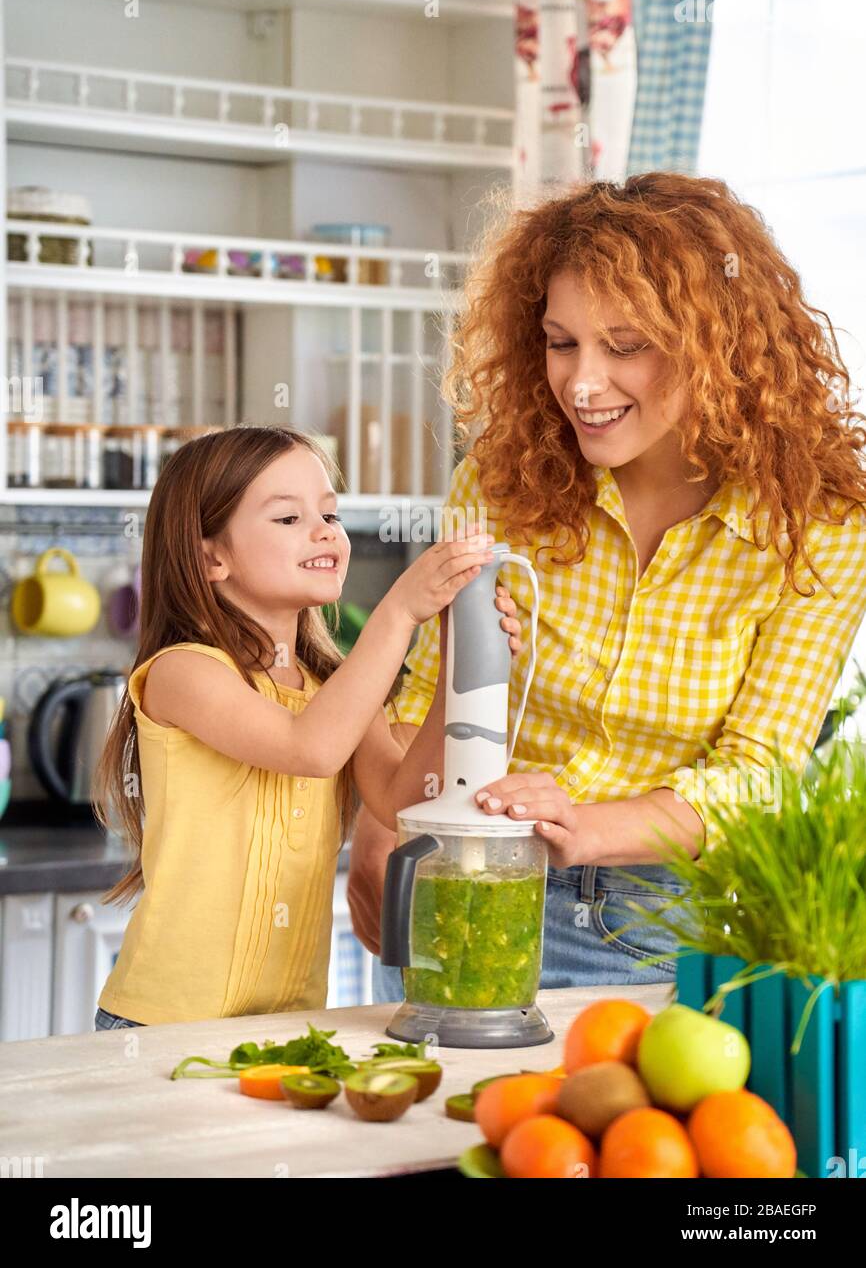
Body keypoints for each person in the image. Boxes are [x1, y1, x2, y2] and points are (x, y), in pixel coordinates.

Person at [348, 171, 866, 1001]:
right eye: (562, 343)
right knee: (442, 1132)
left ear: (719, 345)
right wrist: (381, 831)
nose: (583, 385)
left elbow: (755, 774)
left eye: (626, 347)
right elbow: (430, 690)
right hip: (466, 884)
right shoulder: (504, 479)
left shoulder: (820, 525)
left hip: (654, 927)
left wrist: (580, 830)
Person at [91, 424, 522, 1027]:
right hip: (163, 1023)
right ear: (210, 556)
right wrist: (397, 612)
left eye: (330, 514)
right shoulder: (183, 672)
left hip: (286, 1023)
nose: (325, 532)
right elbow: (310, 748)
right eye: (288, 519)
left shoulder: (332, 687)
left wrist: (457, 658)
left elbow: (401, 798)